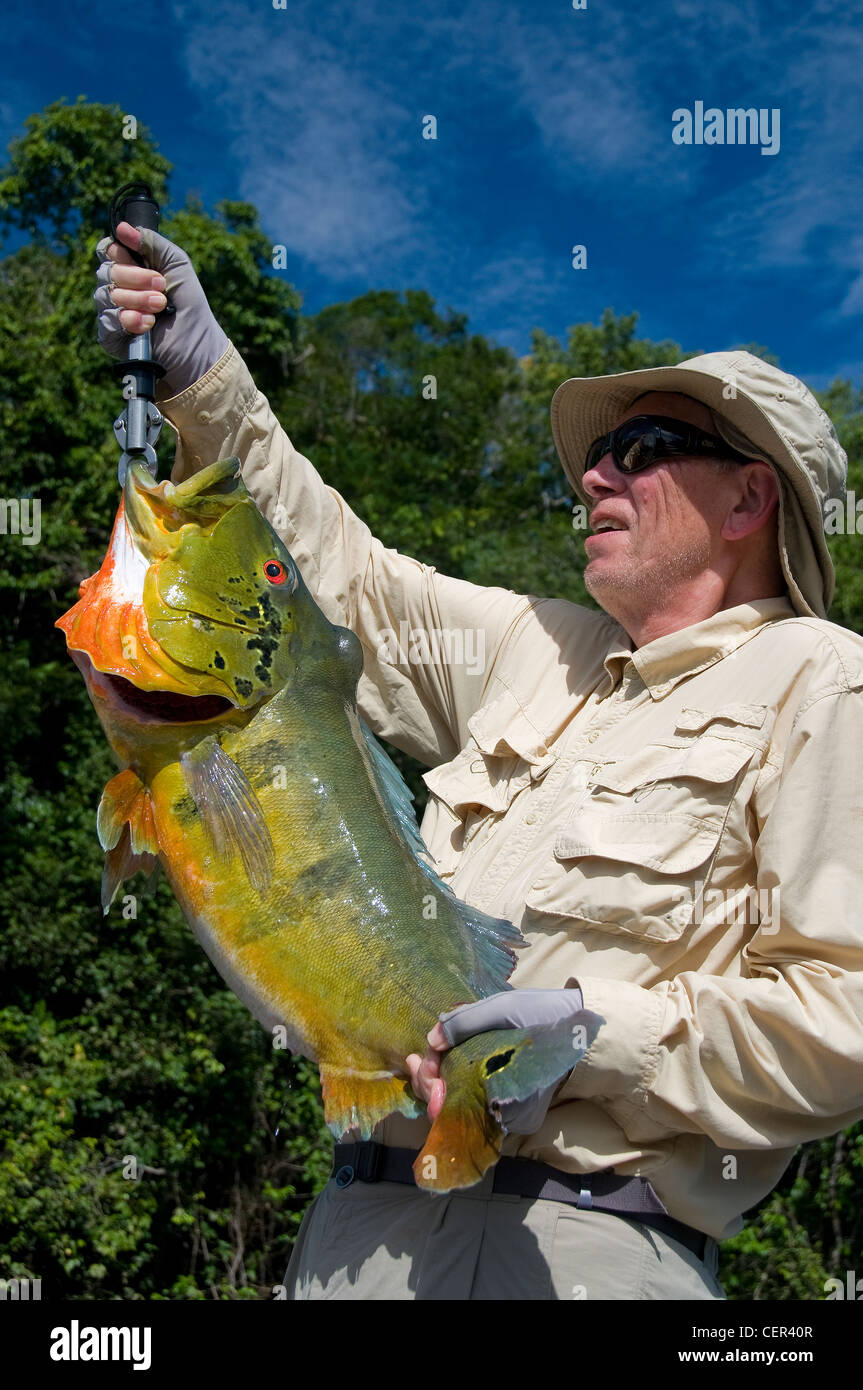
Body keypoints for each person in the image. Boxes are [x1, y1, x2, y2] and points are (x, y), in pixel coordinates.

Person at [94, 224, 863, 1302]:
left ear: (748, 499)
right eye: (601, 451)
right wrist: (200, 373)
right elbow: (341, 581)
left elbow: (843, 1019)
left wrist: (591, 1035)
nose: (592, 472)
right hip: (351, 1238)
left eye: (642, 446)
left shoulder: (822, 680)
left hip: (584, 1247)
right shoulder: (535, 645)